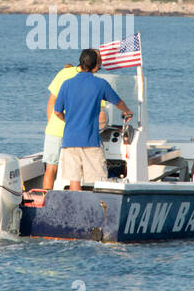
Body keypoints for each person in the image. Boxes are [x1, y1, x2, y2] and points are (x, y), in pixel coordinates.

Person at [54, 48, 132, 190]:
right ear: (96, 65)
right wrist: (128, 111)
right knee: (99, 181)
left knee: (74, 181)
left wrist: (68, 120)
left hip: (70, 141)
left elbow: (57, 112)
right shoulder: (100, 84)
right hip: (90, 141)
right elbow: (117, 102)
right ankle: (98, 210)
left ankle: (76, 210)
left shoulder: (67, 84)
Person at [41, 62, 79, 190]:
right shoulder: (92, 82)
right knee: (75, 171)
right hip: (75, 132)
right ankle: (75, 202)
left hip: (54, 129)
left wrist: (51, 123)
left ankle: (46, 198)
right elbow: (100, 114)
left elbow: (51, 101)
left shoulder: (64, 72)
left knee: (51, 167)